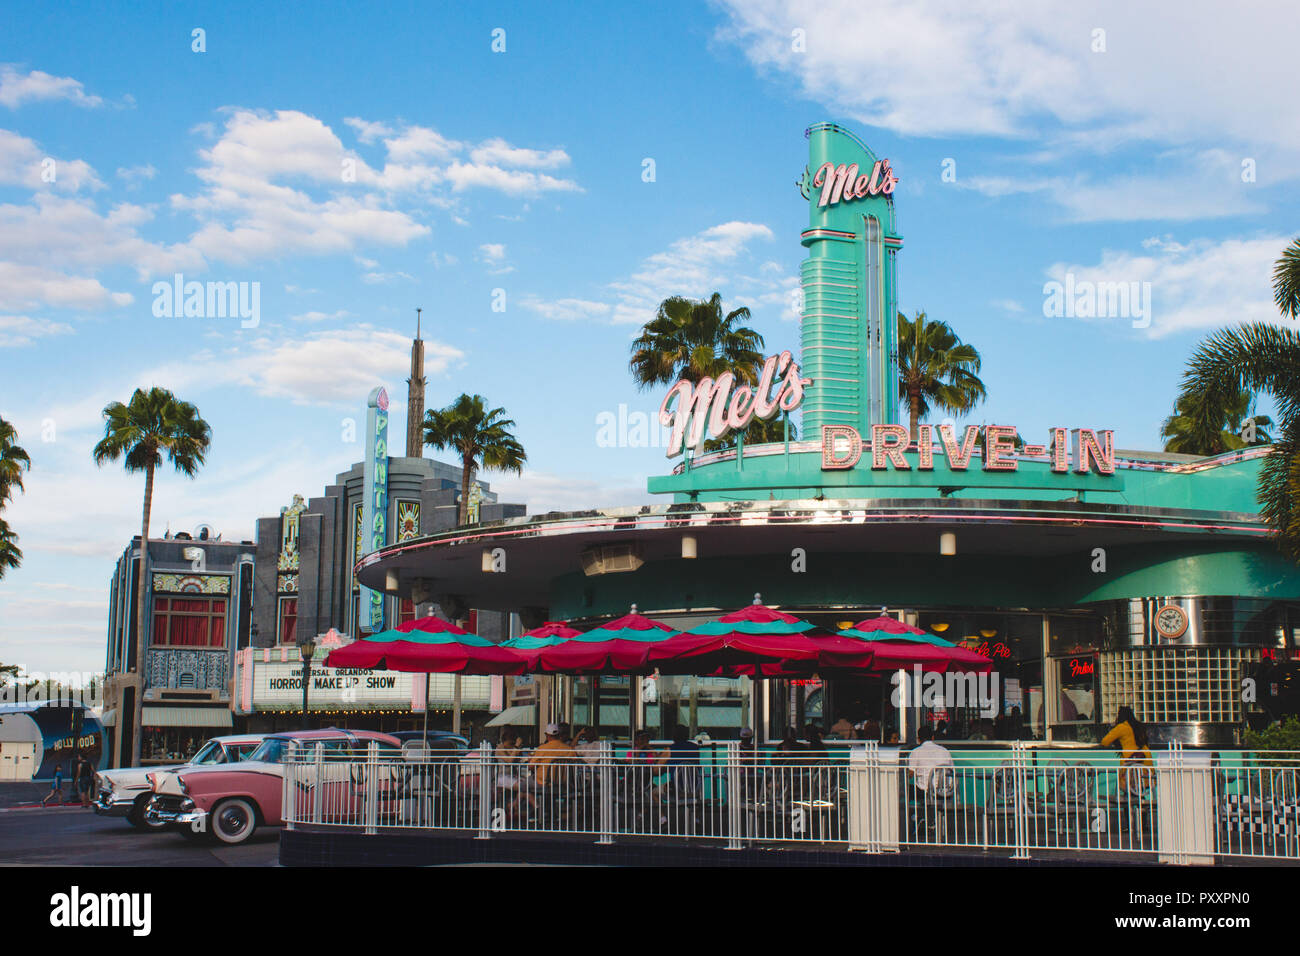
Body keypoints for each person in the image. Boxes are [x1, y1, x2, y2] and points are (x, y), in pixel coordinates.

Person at [1102, 705, 1153, 794]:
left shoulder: (1122, 727)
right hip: (1145, 759)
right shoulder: (1139, 726)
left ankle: (1132, 799)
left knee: (1128, 786)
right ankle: (1139, 799)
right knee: (1140, 786)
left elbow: (1105, 742)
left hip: (1131, 761)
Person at [906, 726, 954, 794]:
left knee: (906, 789)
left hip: (924, 789)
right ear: (932, 737)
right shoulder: (944, 750)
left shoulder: (916, 751)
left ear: (918, 739)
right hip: (943, 790)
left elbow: (910, 774)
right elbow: (951, 770)